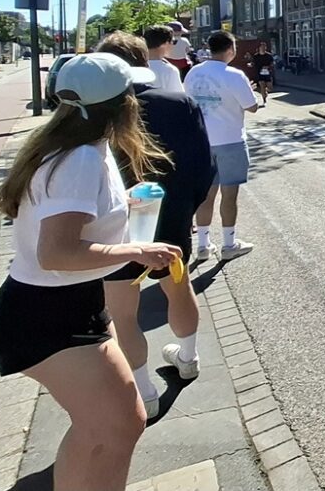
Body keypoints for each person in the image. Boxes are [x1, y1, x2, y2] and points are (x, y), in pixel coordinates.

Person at [0, 52, 181, 491]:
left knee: (111, 426)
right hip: (47, 316)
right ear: (122, 105)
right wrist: (135, 249)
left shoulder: (73, 148)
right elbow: (56, 252)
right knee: (114, 426)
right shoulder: (81, 160)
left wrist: (120, 206)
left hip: (62, 306)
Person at [96, 32, 215, 419]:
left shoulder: (96, 111)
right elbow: (204, 167)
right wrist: (185, 209)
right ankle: (189, 357)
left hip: (117, 226)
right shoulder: (180, 104)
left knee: (123, 312)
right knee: (179, 291)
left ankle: (144, 390)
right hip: (170, 215)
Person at [184, 31, 259, 261]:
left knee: (206, 195)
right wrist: (252, 89)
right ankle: (229, 243)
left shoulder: (194, 73)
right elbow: (252, 106)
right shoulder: (235, 75)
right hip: (230, 141)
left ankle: (204, 245)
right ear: (230, 49)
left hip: (201, 141)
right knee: (229, 195)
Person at [143, 25, 185, 93]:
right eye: (173, 42)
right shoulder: (169, 70)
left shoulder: (134, 66)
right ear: (165, 43)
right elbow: (178, 97)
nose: (173, 45)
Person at [250, 41, 275, 107]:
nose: (263, 48)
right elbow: (253, 63)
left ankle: (266, 91)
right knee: (262, 87)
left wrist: (268, 67)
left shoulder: (269, 56)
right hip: (260, 74)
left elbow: (272, 64)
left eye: (264, 47)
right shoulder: (256, 56)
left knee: (270, 88)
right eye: (262, 47)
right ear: (259, 48)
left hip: (268, 73)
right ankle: (264, 100)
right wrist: (250, 64)